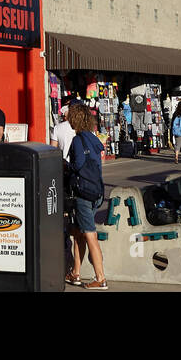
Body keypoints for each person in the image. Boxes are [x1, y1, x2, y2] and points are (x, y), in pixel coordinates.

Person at [64, 103, 108, 290]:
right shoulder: (92, 137)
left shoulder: (78, 140)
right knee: (79, 233)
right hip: (96, 190)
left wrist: (68, 167)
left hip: (83, 193)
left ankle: (101, 278)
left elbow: (79, 164)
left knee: (89, 234)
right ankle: (75, 273)